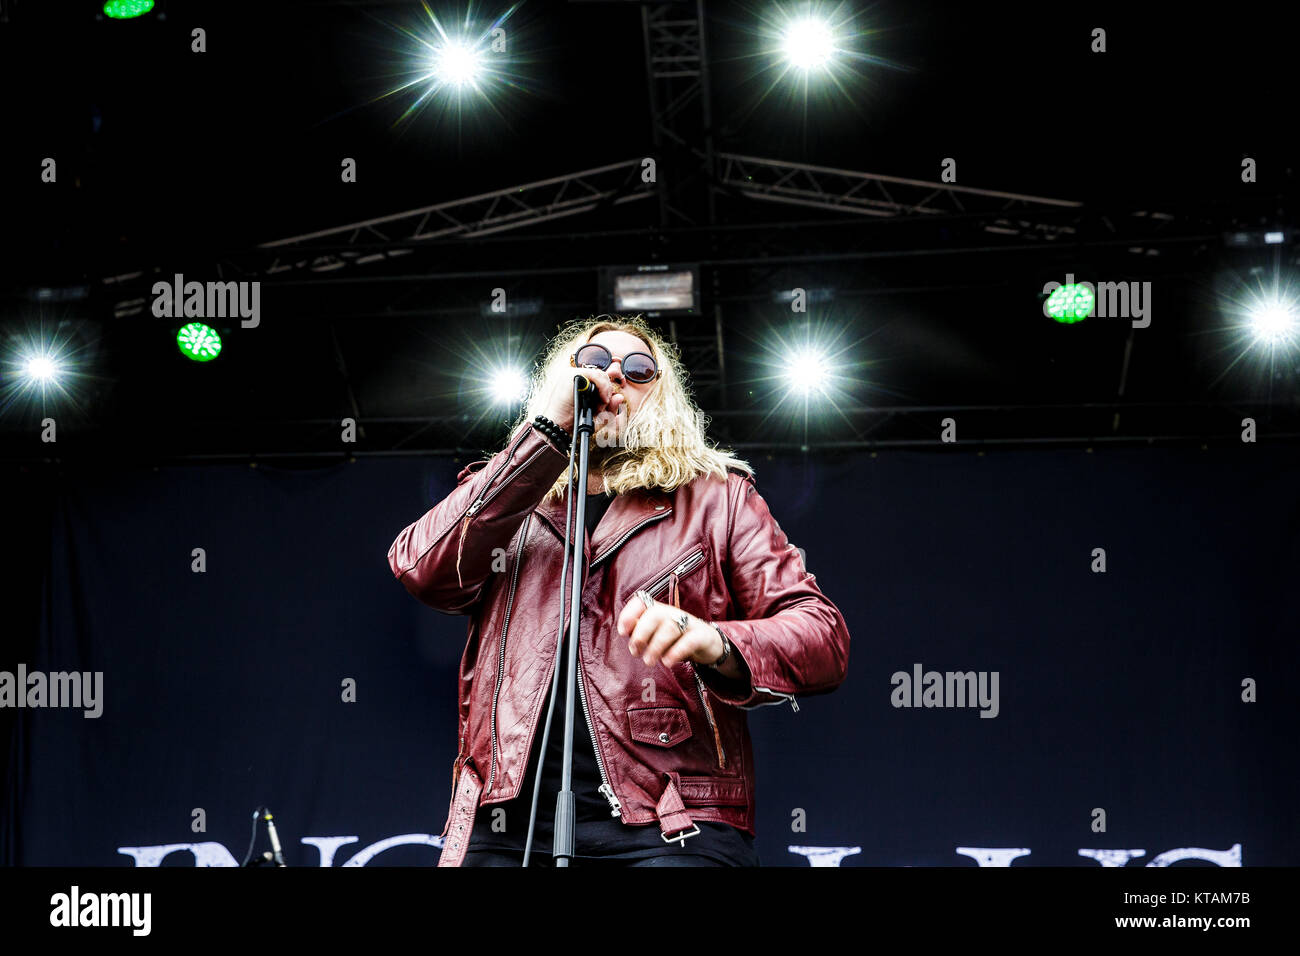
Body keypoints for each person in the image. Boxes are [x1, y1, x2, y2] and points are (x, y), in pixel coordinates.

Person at [387, 314, 851, 866]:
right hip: (506, 825)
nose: (613, 379)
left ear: (663, 396)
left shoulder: (716, 497)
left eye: (637, 369)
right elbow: (421, 567)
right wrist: (546, 434)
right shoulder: (505, 494)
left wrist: (716, 642)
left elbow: (821, 636)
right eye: (592, 364)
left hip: (669, 821)